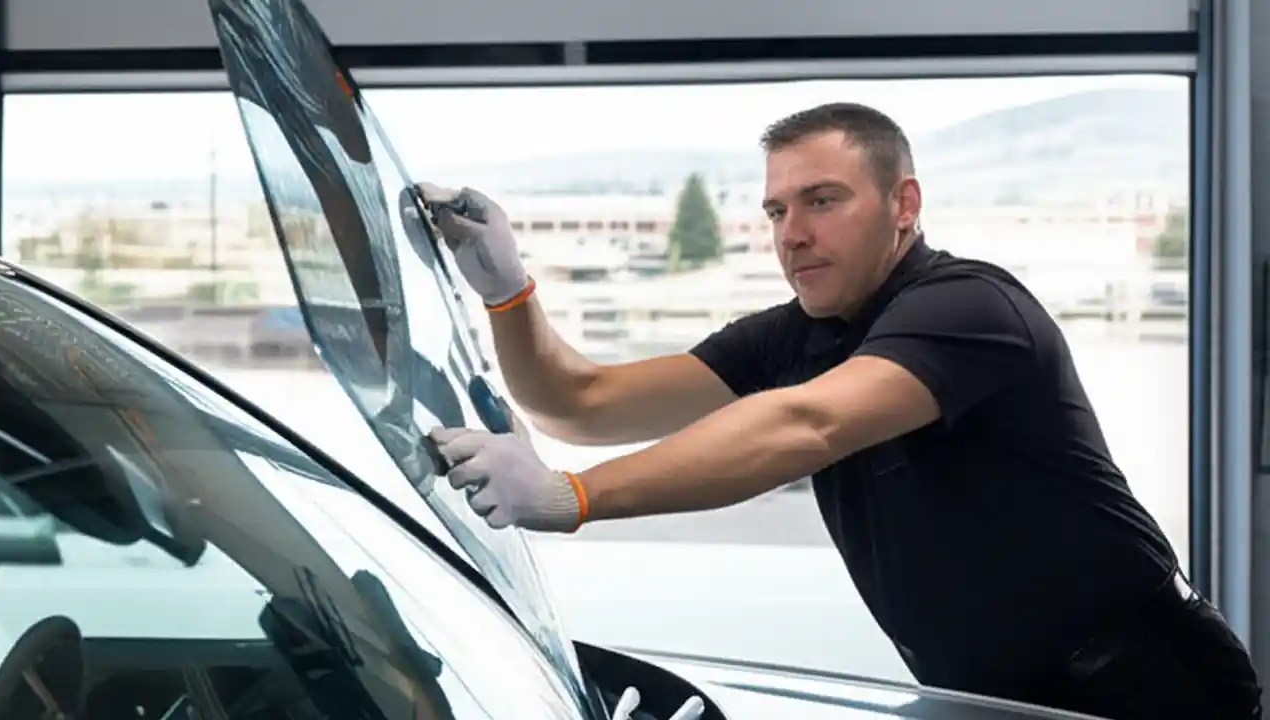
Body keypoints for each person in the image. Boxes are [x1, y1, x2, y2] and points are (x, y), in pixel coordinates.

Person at [418, 102, 1262, 718]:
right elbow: (582, 402)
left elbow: (804, 426)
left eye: (823, 200)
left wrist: (571, 497)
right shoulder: (794, 336)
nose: (791, 232)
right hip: (981, 695)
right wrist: (508, 292)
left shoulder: (969, 307)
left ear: (904, 206)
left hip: (1141, 686)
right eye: (778, 210)